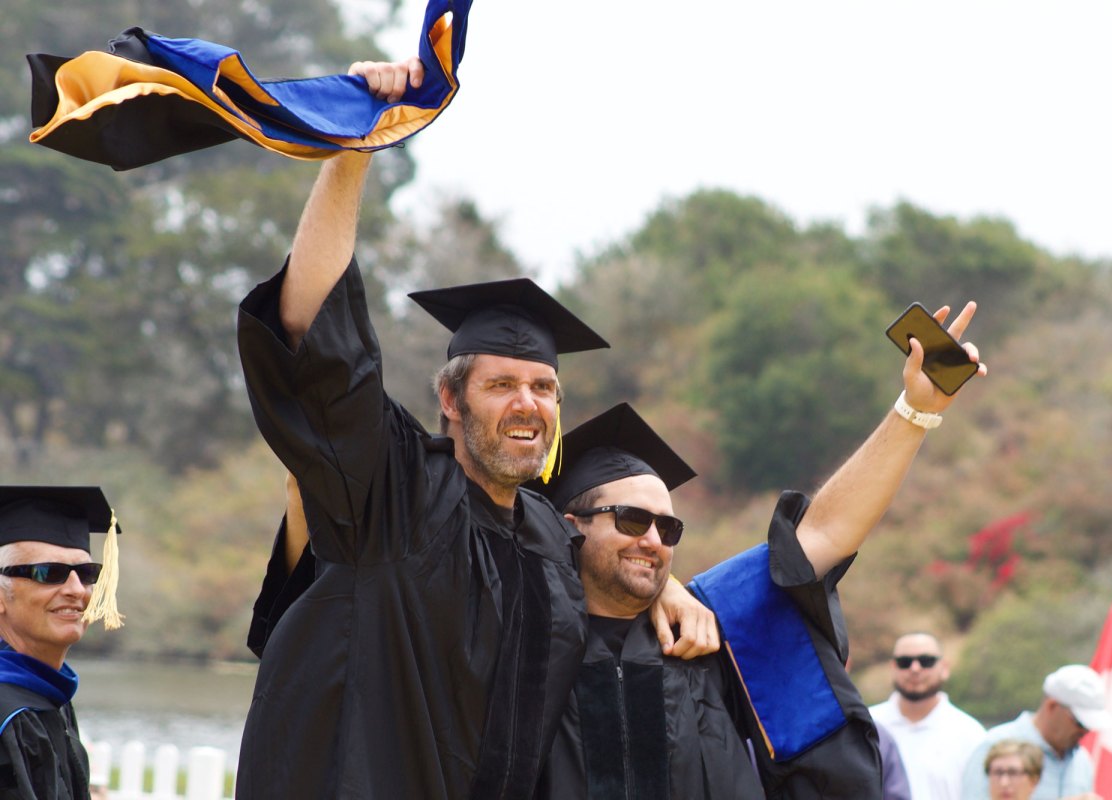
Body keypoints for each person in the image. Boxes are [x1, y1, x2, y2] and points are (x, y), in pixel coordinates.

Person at [235, 59, 712, 800]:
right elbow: (312, 335)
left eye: (543, 388)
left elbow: (618, 561)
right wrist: (352, 152)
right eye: (500, 385)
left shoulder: (549, 536)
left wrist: (668, 588)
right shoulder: (395, 491)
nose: (527, 403)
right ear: (451, 400)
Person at [533, 289, 985, 799]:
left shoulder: (706, 633)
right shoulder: (522, 639)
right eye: (633, 520)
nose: (654, 539)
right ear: (571, 526)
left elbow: (822, 534)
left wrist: (914, 411)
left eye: (669, 527)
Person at [0, 486, 121, 799]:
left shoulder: (51, 697)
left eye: (86, 573)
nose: (76, 589)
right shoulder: (8, 712)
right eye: (49, 573)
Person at [961, 664, 1112, 800]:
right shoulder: (994, 745)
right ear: (1052, 706)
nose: (1084, 731)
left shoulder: (1082, 761)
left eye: (1089, 725)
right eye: (1079, 723)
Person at [870, 632, 986, 800]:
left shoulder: (970, 734)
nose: (915, 669)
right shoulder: (866, 726)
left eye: (926, 661)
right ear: (892, 668)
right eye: (905, 662)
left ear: (944, 668)